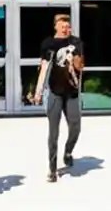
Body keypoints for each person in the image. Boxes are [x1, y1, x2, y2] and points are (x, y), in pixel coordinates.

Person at [33, 13, 84, 182]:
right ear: (56, 26)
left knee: (75, 127)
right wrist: (38, 92)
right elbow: (43, 67)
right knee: (53, 131)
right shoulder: (48, 43)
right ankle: (52, 168)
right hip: (54, 92)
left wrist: (75, 59)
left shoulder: (76, 42)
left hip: (72, 92)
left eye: (68, 26)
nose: (66, 28)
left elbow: (81, 66)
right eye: (62, 26)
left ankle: (68, 151)